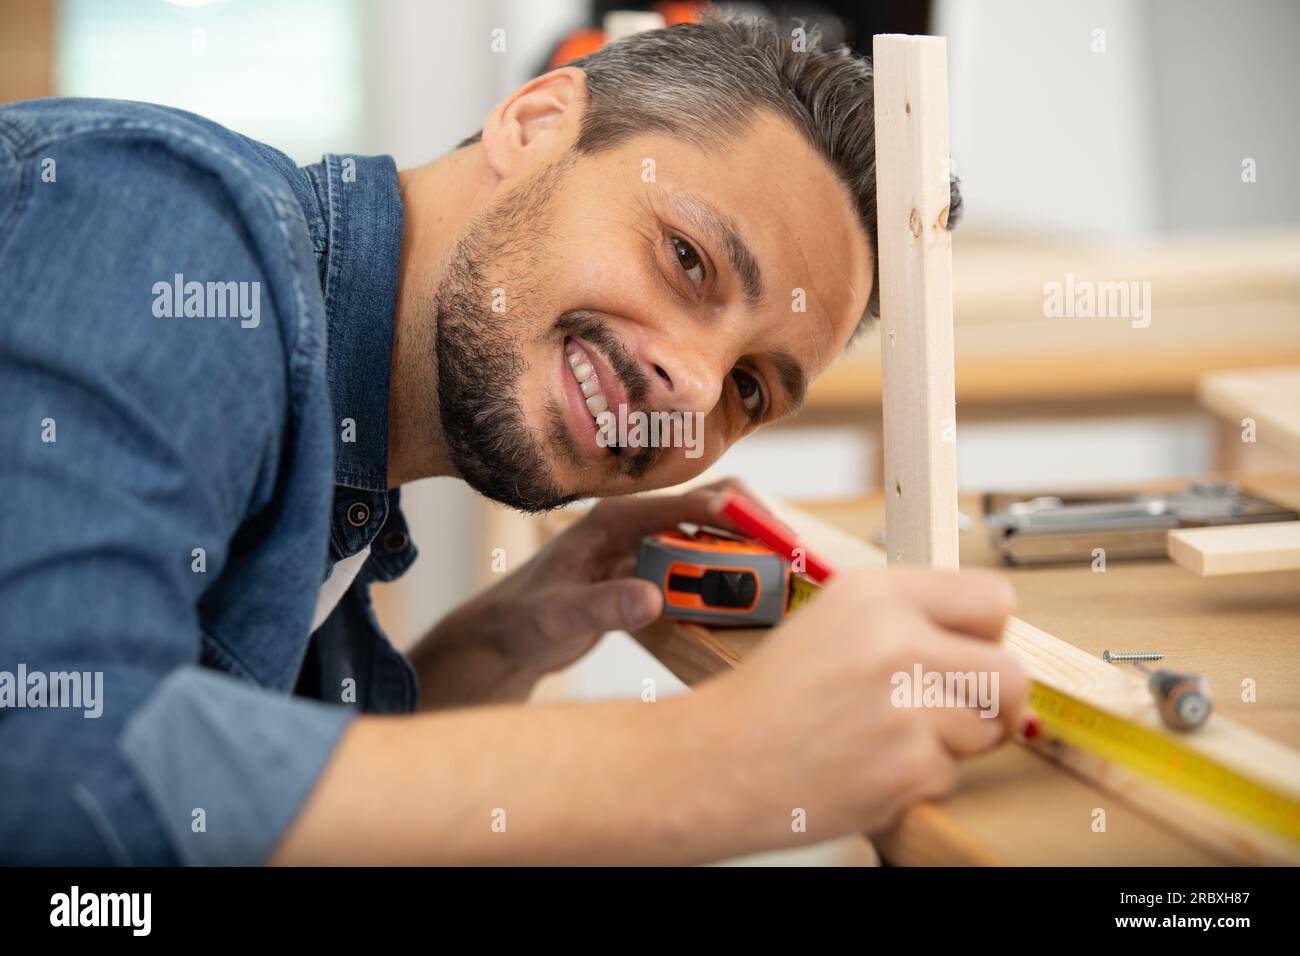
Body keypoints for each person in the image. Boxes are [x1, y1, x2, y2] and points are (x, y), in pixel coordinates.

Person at [0, 15, 1025, 865]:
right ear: (536, 122)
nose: (696, 387)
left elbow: (259, 809)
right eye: (688, 259)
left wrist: (490, 648)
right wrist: (719, 756)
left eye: (752, 389)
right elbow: (53, 772)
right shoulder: (170, 227)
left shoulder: (342, 477)